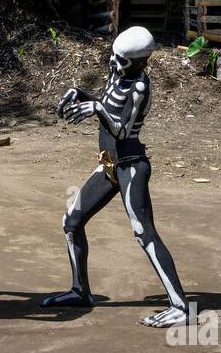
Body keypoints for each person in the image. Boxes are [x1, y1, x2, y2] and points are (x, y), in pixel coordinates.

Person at [42, 26, 191, 328]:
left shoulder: (140, 87)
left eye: (122, 61)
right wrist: (79, 93)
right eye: (113, 57)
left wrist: (95, 108)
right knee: (71, 221)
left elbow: (122, 131)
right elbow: (106, 104)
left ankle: (181, 306)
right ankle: (80, 290)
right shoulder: (117, 75)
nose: (113, 64)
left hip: (131, 166)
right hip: (109, 165)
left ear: (140, 63)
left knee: (144, 233)